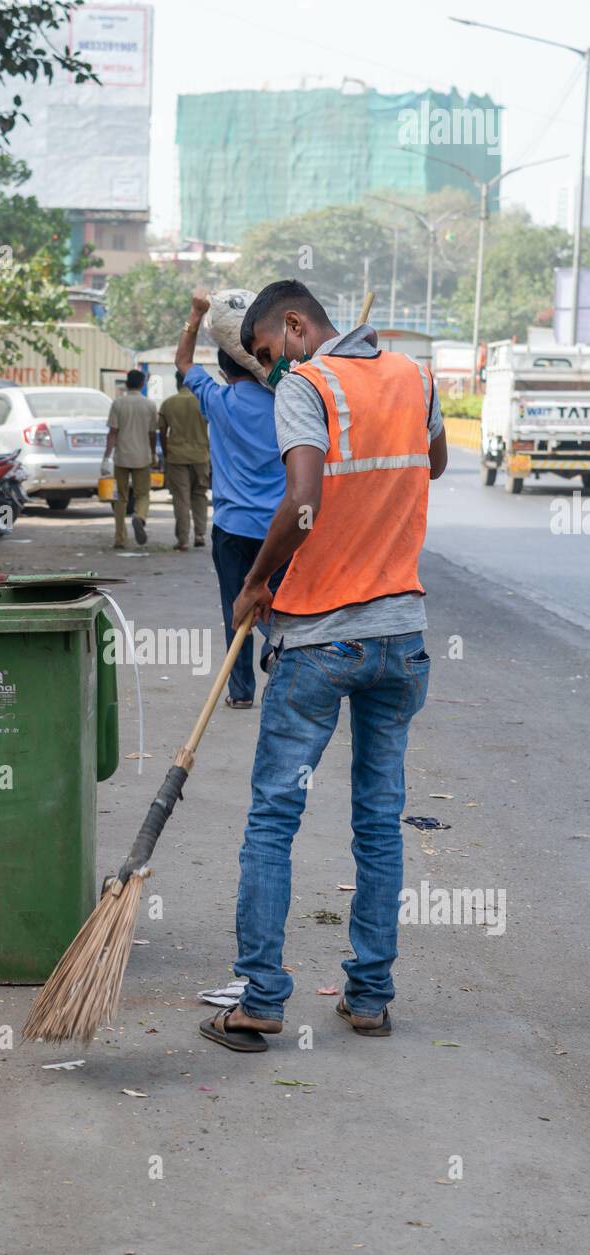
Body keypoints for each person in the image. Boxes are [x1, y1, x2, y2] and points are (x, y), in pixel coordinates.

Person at [197, 279, 448, 1054]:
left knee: (274, 818)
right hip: (400, 640)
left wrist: (255, 582)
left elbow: (302, 499)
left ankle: (262, 1000)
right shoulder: (414, 377)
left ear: (297, 325)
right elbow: (431, 465)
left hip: (319, 642)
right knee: (378, 821)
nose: (271, 371)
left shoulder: (308, 384)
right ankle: (369, 996)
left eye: (270, 353)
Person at [175, 293, 288, 708]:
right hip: (280, 528)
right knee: (282, 601)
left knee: (235, 605)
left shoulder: (217, 400)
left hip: (232, 528)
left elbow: (184, 363)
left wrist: (196, 314)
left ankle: (240, 693)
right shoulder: (285, 403)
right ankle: (273, 648)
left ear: (223, 370)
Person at [102, 369, 158, 548]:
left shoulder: (118, 403)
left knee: (120, 498)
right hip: (142, 457)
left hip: (121, 458)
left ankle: (120, 538)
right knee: (143, 495)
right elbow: (152, 434)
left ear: (126, 384)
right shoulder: (149, 405)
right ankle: (139, 517)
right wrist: (153, 453)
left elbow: (112, 433)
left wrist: (106, 458)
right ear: (142, 385)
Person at [158, 370, 211, 551]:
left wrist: (167, 454)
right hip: (201, 456)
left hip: (177, 456)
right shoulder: (203, 401)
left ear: (177, 382)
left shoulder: (168, 404)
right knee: (199, 495)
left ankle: (183, 540)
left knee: (181, 499)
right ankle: (200, 534)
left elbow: (162, 434)